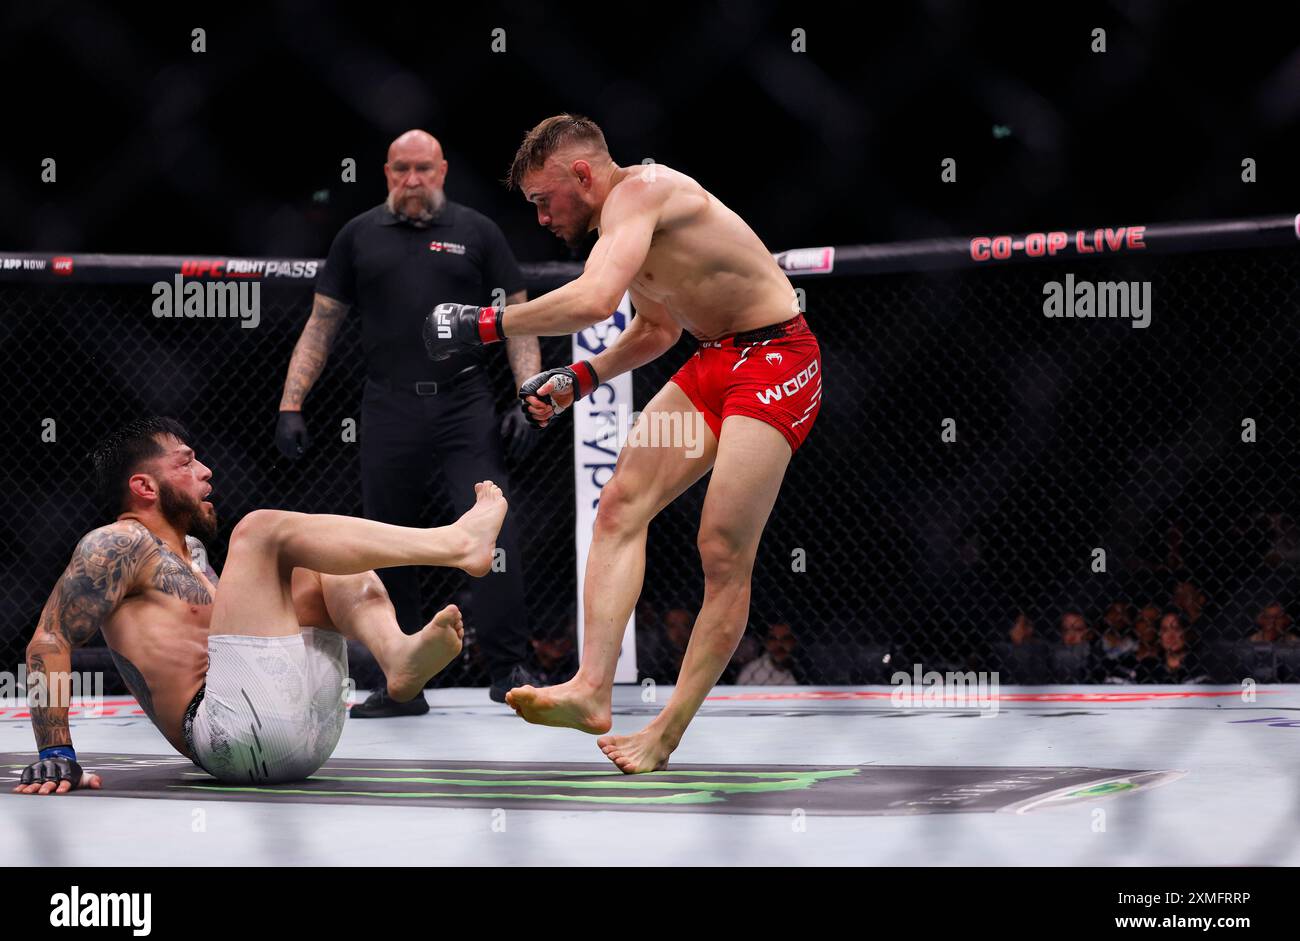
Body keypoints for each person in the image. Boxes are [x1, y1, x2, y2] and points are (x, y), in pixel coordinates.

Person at [423, 114, 823, 772]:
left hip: (779, 358)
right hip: (714, 361)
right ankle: (591, 689)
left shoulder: (643, 193)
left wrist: (483, 325)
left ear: (582, 174)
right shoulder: (623, 225)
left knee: (721, 551)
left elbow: (594, 299)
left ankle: (666, 730)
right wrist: (580, 378)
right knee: (619, 505)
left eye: (544, 200)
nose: (543, 218)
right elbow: (658, 328)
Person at [14, 417, 504, 794]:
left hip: (305, 731)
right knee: (259, 529)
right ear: (144, 487)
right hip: (228, 735)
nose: (206, 471)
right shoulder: (117, 542)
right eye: (185, 463)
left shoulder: (198, 559)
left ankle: (396, 656)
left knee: (322, 555)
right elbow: (50, 638)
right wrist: (56, 750)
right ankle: (455, 544)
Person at [275, 129, 542, 715]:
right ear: (387, 172)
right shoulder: (359, 235)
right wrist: (291, 403)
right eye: (401, 170)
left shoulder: (477, 232)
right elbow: (322, 324)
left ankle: (510, 665)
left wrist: (526, 394)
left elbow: (519, 313)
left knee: (493, 525)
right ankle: (403, 682)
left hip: (463, 401)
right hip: (388, 403)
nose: (412, 180)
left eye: (423, 169)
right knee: (385, 537)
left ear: (442, 170)